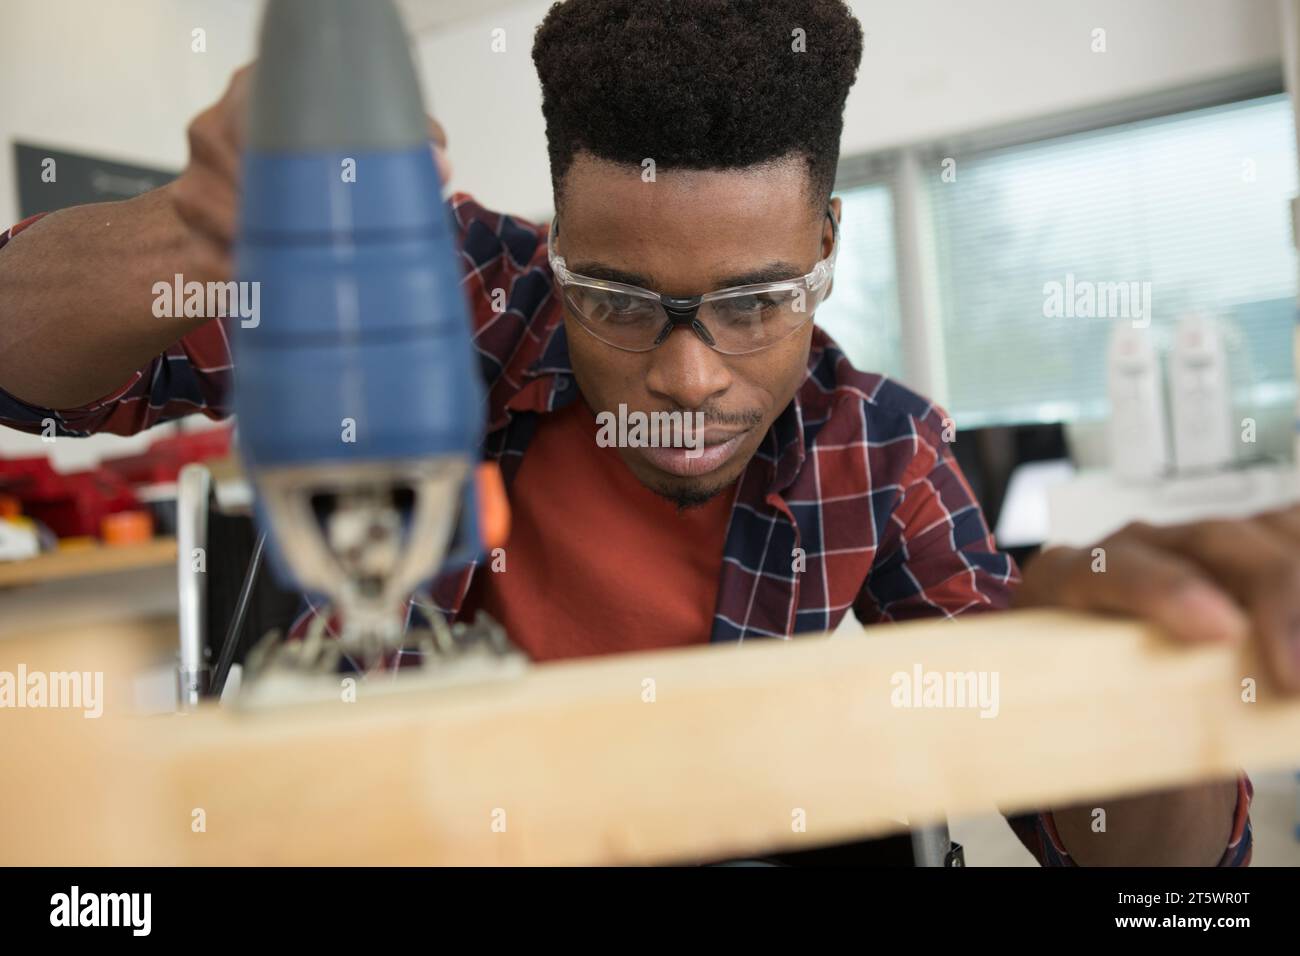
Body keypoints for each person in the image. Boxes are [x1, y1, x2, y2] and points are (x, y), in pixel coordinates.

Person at [0, 0, 1287, 866]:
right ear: (554, 234)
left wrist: (1155, 678)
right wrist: (199, 227)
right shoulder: (417, 285)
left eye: (755, 302)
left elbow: (1116, 849)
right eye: (614, 296)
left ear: (825, 245)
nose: (685, 376)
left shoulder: (879, 453)